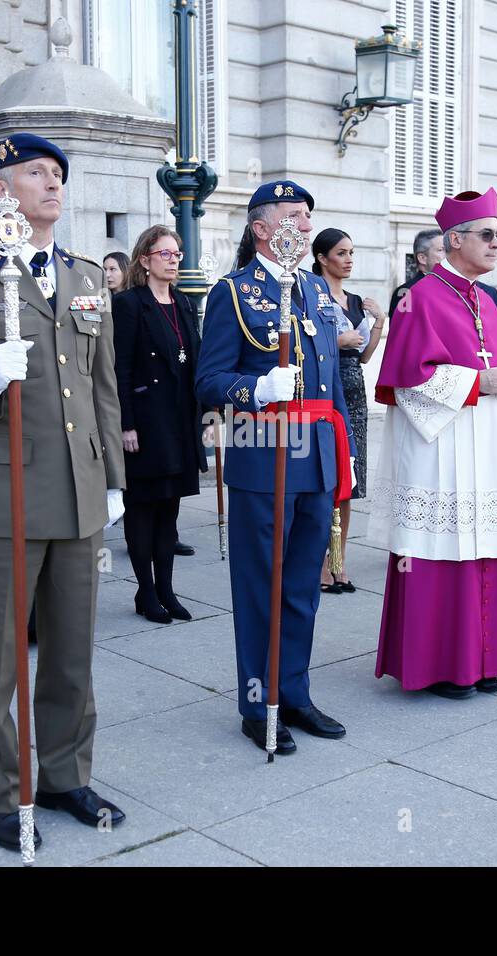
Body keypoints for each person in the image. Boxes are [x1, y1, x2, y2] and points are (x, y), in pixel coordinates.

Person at [0, 133, 128, 851]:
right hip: (0, 493)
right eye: (37, 173)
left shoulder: (83, 276)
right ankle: (5, 794)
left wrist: (113, 480)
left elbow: (102, 389)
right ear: (2, 190)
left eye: (59, 174)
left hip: (77, 490)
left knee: (72, 652)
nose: (53, 184)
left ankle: (66, 775)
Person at [195, 179, 355, 754]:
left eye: (309, 216)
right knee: (262, 585)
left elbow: (331, 380)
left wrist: (346, 451)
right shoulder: (233, 293)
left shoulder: (314, 289)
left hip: (315, 455)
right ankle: (258, 700)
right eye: (293, 216)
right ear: (261, 228)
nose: (306, 226)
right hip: (263, 454)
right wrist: (258, 387)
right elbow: (208, 381)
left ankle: (295, 691)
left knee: (303, 587)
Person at [370, 187, 497, 698]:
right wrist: (477, 384)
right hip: (436, 441)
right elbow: (405, 380)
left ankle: (482, 660)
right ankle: (437, 665)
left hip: (481, 436)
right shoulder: (420, 296)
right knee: (436, 548)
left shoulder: (483, 298)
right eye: (488, 235)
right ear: (455, 240)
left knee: (482, 543)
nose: (496, 244)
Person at [113, 225, 205, 623]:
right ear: (145, 259)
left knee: (170, 508)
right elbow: (120, 367)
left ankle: (167, 588)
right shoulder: (130, 304)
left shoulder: (183, 302)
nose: (173, 261)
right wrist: (125, 424)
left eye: (177, 254)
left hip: (179, 419)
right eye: (166, 254)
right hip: (146, 422)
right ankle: (145, 591)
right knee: (142, 508)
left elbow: (194, 360)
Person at [312, 227, 384, 594]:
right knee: (329, 478)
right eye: (341, 253)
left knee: (352, 482)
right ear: (323, 258)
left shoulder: (355, 301)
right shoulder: (311, 292)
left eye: (351, 252)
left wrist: (379, 324)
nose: (349, 259)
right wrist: (336, 339)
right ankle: (321, 564)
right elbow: (305, 341)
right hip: (327, 388)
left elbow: (366, 356)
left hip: (355, 388)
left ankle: (339, 562)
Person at [388, 228, 443, 317]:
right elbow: (402, 330)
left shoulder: (452, 289)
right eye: (441, 250)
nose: (448, 255)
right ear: (422, 258)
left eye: (448, 250)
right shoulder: (405, 292)